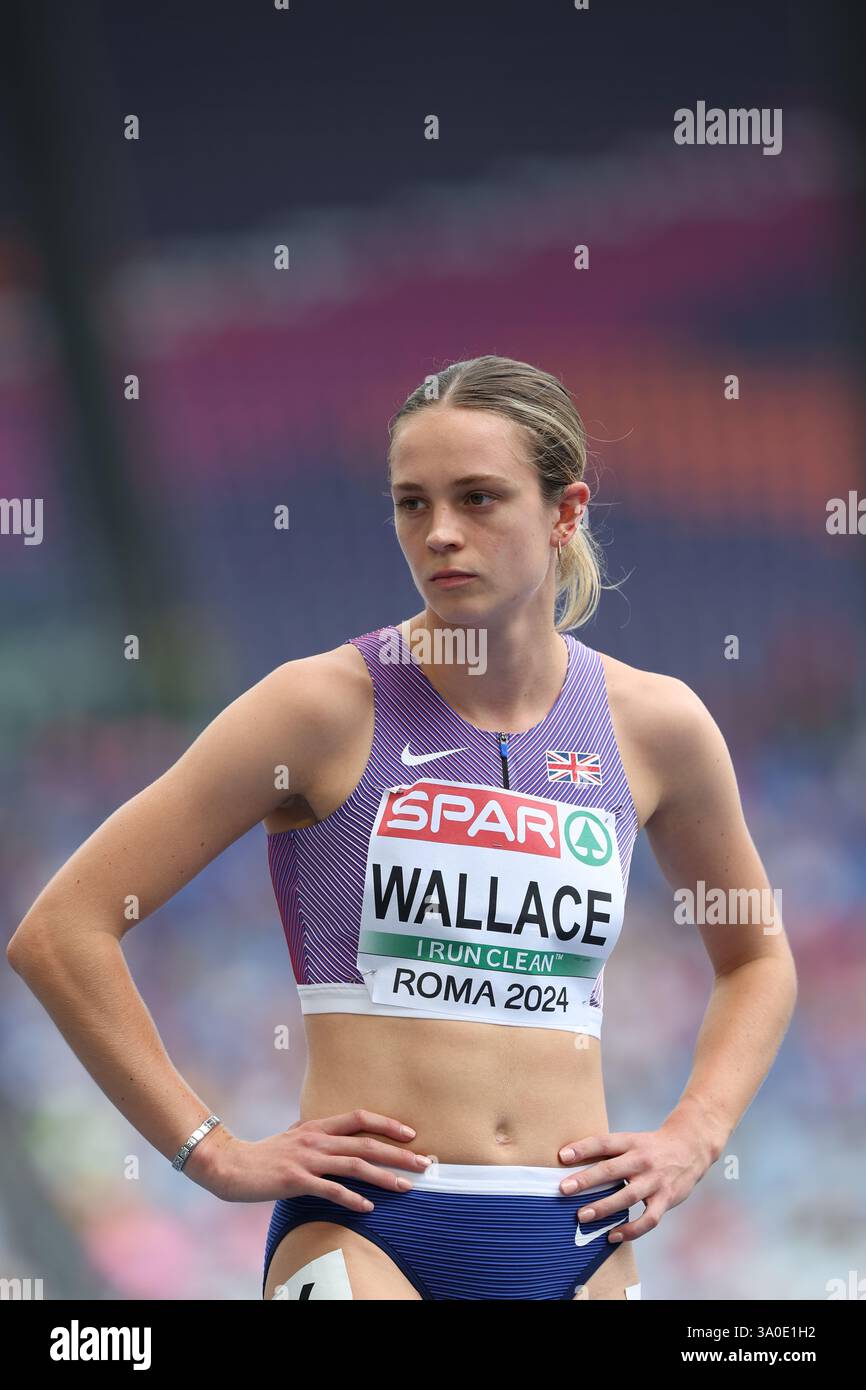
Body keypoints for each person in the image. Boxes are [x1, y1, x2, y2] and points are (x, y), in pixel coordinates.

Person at [8, 355, 798, 1301]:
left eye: (478, 498)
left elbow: (757, 957)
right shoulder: (318, 708)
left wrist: (695, 1134)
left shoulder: (657, 725)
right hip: (371, 1231)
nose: (442, 534)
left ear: (566, 511)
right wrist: (206, 1152)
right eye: (411, 503)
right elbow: (62, 930)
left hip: (577, 1231)